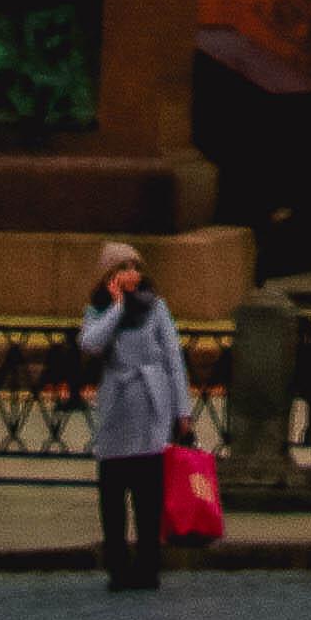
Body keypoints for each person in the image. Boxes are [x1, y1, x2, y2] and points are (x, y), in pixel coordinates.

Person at [75, 246, 194, 592]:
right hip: (117, 404)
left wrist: (181, 410)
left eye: (133, 266)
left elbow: (173, 358)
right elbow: (91, 344)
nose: (129, 273)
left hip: (150, 404)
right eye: (120, 268)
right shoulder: (98, 310)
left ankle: (148, 565)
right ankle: (117, 566)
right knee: (113, 492)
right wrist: (117, 308)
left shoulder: (156, 308)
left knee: (148, 495)